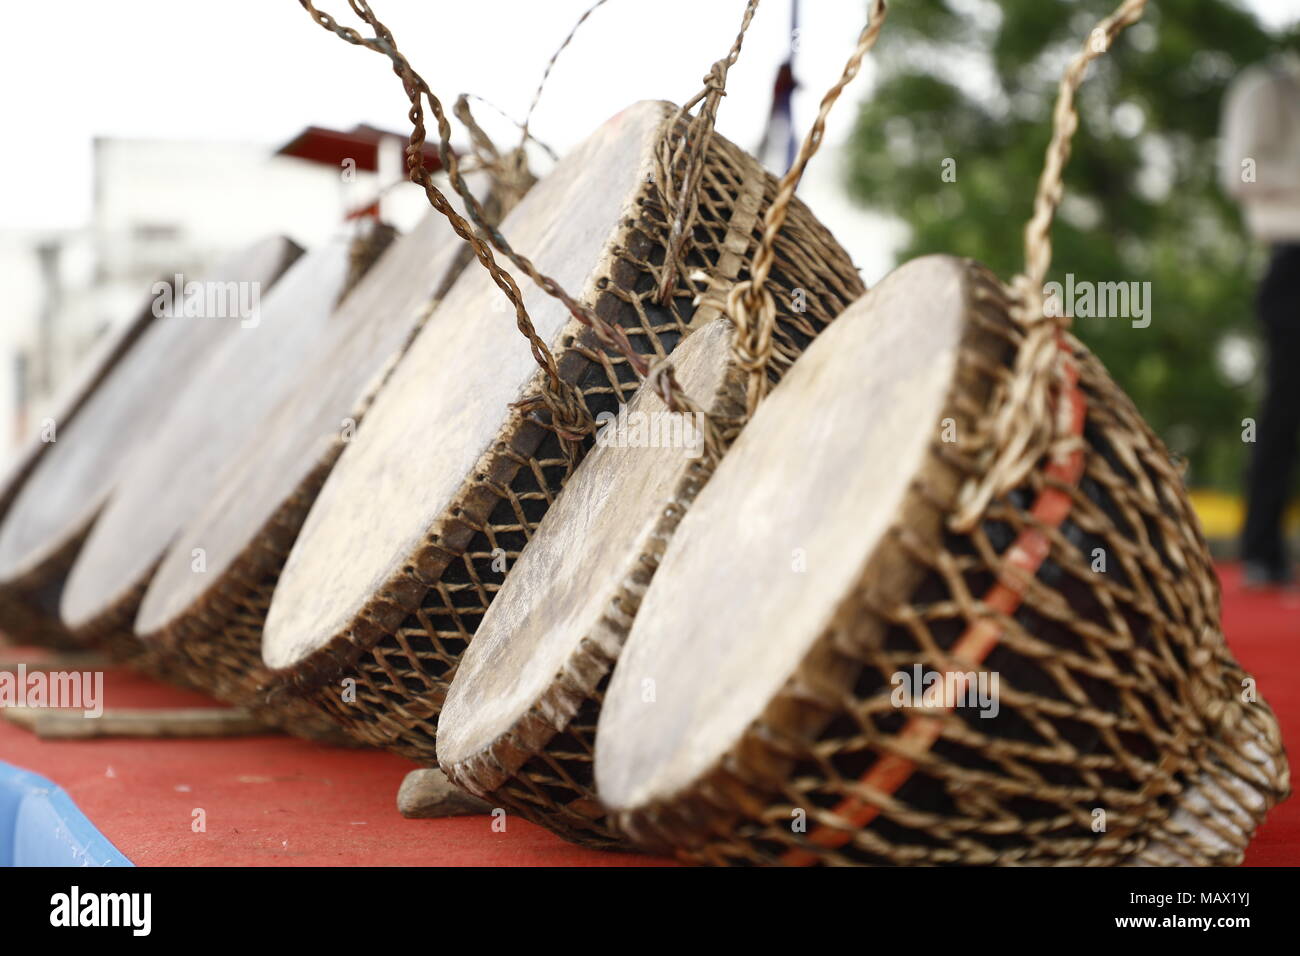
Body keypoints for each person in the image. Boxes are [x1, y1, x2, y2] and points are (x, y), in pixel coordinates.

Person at [1219, 52, 1300, 589]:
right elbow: (1239, 172)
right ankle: (1262, 548)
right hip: (1293, 259)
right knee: (1286, 404)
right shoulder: (1267, 86)